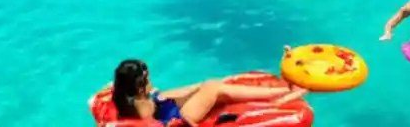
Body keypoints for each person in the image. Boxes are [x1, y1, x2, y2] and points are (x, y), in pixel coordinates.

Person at [105, 58, 305, 126]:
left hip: (165, 107)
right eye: (147, 77)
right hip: (178, 118)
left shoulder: (126, 98)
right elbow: (158, 123)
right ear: (140, 86)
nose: (151, 79)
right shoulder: (141, 108)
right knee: (214, 88)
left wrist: (160, 95)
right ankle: (282, 94)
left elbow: (156, 101)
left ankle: (279, 90)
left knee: (208, 85)